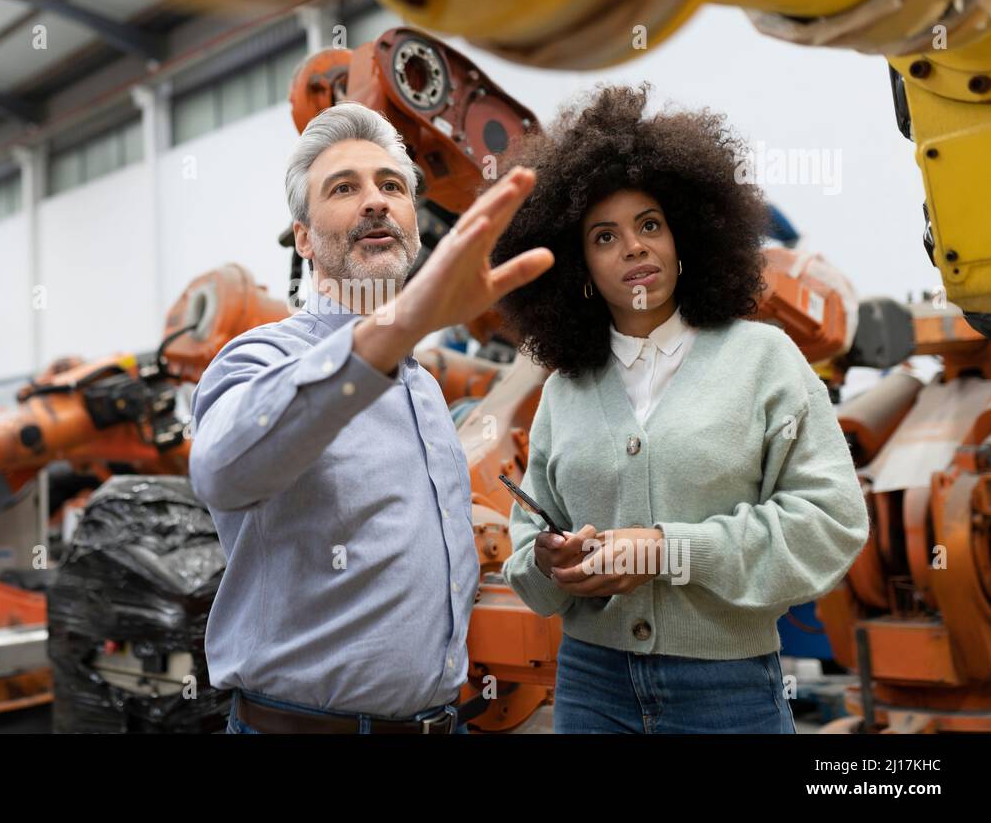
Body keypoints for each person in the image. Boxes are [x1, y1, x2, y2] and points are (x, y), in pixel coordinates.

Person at [491, 84, 870, 734]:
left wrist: (668, 551)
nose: (633, 248)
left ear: (684, 239)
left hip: (727, 692)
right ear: (580, 266)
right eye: (604, 236)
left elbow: (829, 523)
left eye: (649, 225)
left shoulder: (764, 359)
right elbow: (527, 551)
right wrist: (549, 565)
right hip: (589, 685)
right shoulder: (565, 389)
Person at [189, 102, 553, 733]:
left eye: (391, 187)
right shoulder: (262, 357)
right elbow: (222, 472)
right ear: (303, 238)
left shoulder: (425, 391)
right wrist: (401, 322)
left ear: (414, 221)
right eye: (344, 188)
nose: (376, 201)